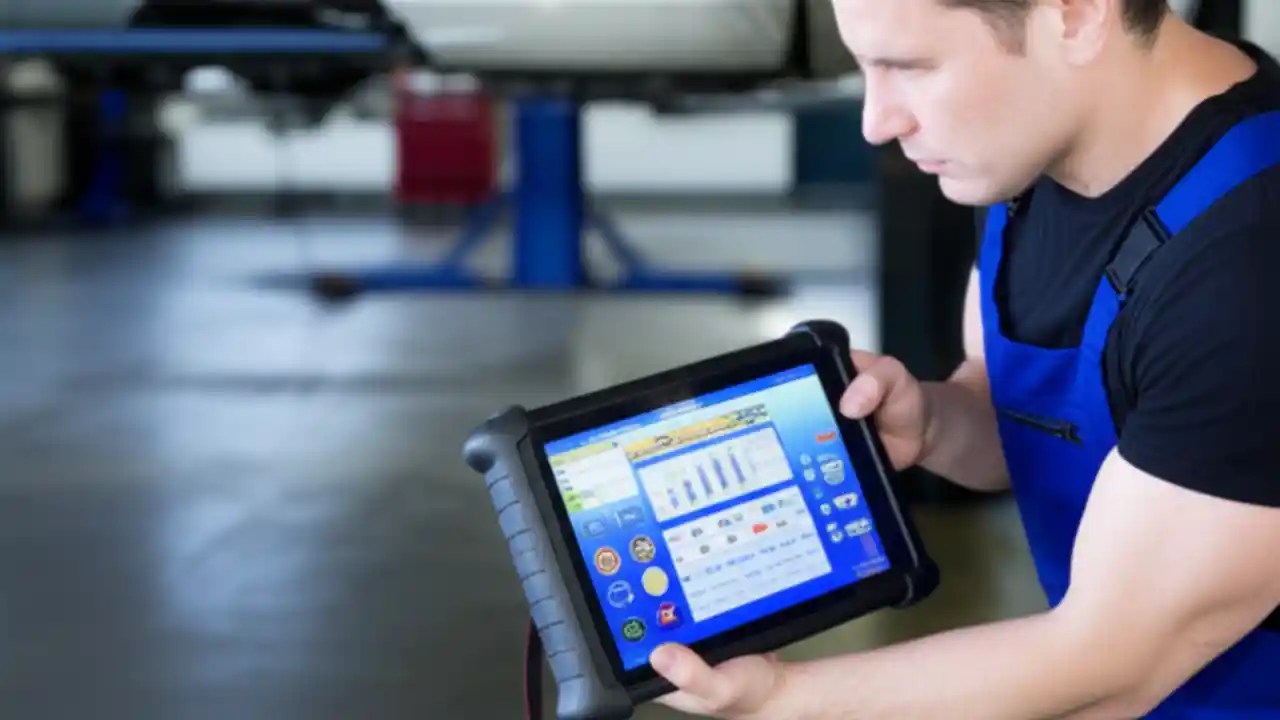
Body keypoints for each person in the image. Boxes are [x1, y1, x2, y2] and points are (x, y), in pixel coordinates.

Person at [648, 0, 1280, 717]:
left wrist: (783, 699)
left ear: (1075, 15)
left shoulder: (1249, 264)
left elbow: (1115, 663)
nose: (877, 122)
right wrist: (939, 422)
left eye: (910, 67)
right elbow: (1045, 431)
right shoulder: (1030, 150)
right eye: (865, 67)